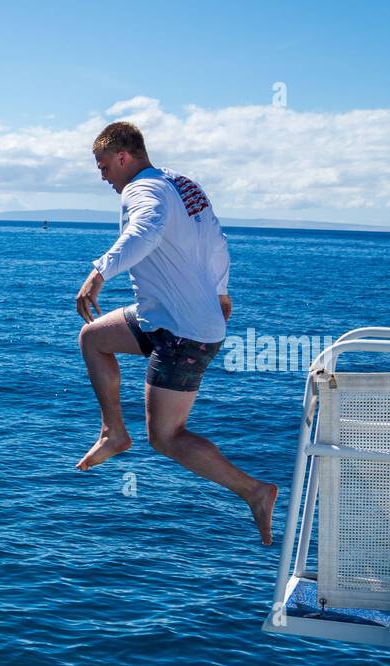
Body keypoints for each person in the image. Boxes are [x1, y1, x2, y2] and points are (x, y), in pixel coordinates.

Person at [73, 121, 277, 545]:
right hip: (162, 317)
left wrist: (99, 272)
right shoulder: (182, 184)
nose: (103, 176)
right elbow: (216, 240)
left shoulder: (141, 191)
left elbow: (144, 231)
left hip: (184, 333)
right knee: (94, 338)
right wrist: (221, 290)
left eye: (104, 165)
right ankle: (113, 432)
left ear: (124, 157)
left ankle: (255, 492)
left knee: (166, 436)